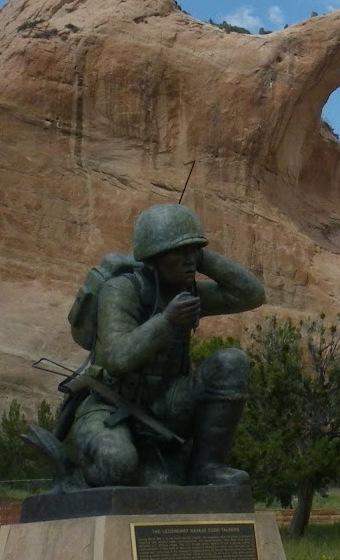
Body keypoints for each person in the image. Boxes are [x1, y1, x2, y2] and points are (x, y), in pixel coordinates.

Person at [66, 203, 266, 487]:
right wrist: (167, 321)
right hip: (110, 403)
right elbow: (116, 358)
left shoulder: (188, 291)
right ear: (154, 257)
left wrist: (197, 252)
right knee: (117, 464)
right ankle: (78, 467)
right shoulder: (122, 290)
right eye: (178, 253)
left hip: (167, 401)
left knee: (231, 362)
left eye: (193, 251)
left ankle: (206, 468)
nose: (189, 260)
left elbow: (252, 295)